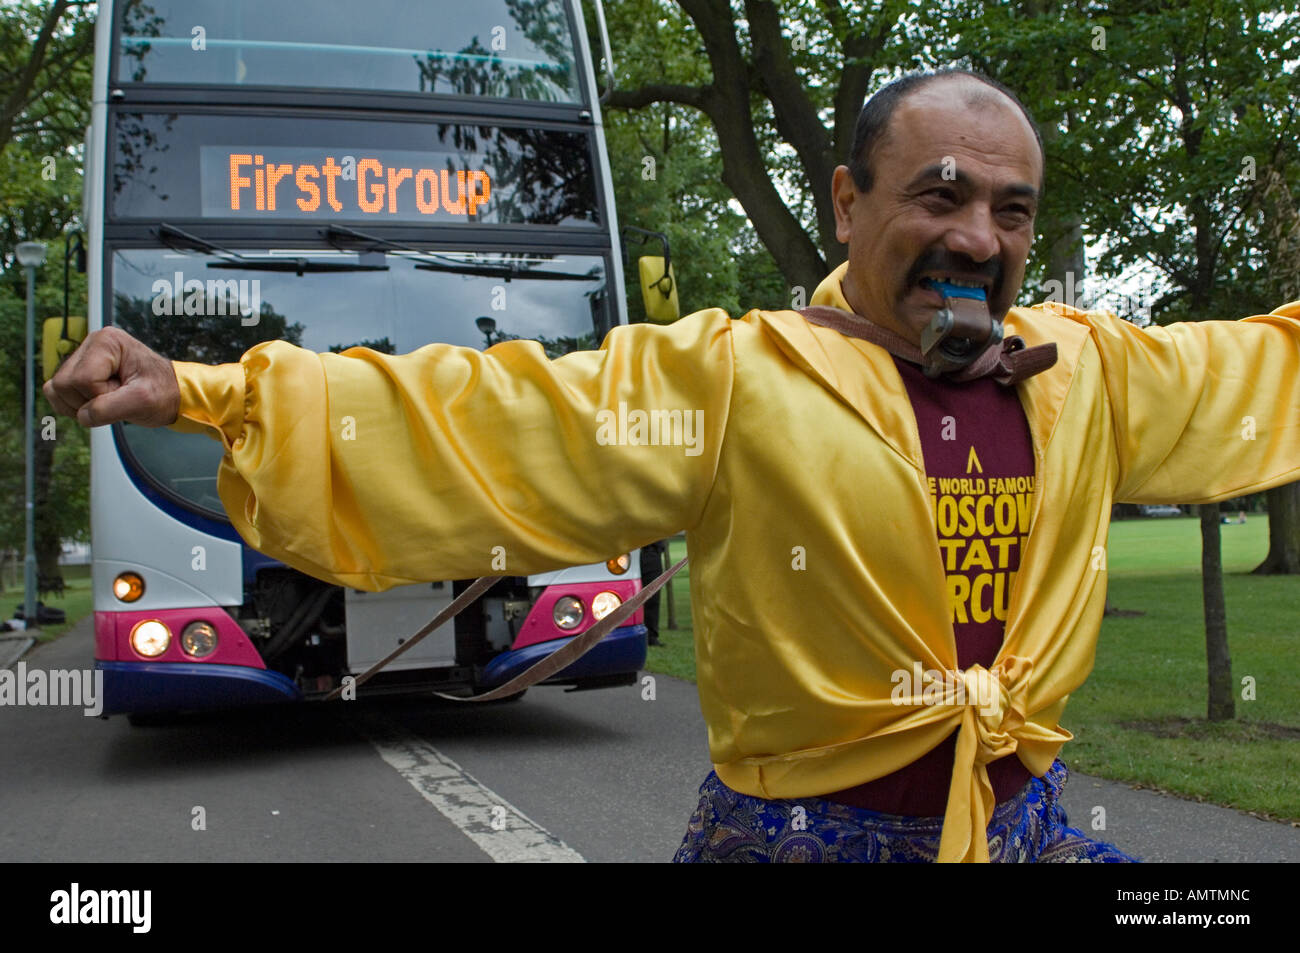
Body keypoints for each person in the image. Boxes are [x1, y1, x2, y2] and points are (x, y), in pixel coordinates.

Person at [45, 69, 1300, 863]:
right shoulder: (735, 377)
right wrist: (210, 390)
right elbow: (490, 412)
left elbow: (1262, 365)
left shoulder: (1086, 369)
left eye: (1011, 210)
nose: (976, 235)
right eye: (939, 195)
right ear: (846, 203)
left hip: (1022, 827)